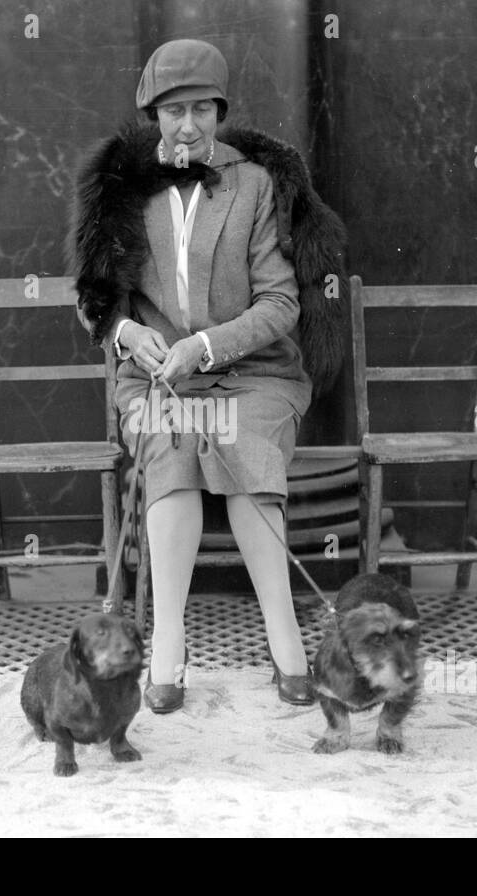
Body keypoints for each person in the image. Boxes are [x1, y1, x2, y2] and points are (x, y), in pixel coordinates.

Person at [69, 39, 347, 713]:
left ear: (220, 111)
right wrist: (125, 333)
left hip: (254, 376)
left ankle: (285, 642)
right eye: (172, 112)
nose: (187, 125)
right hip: (159, 380)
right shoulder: (120, 189)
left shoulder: (253, 185)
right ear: (151, 117)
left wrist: (204, 346)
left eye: (199, 109)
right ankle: (168, 643)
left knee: (245, 442)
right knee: (169, 448)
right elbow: (94, 299)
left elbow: (281, 305)